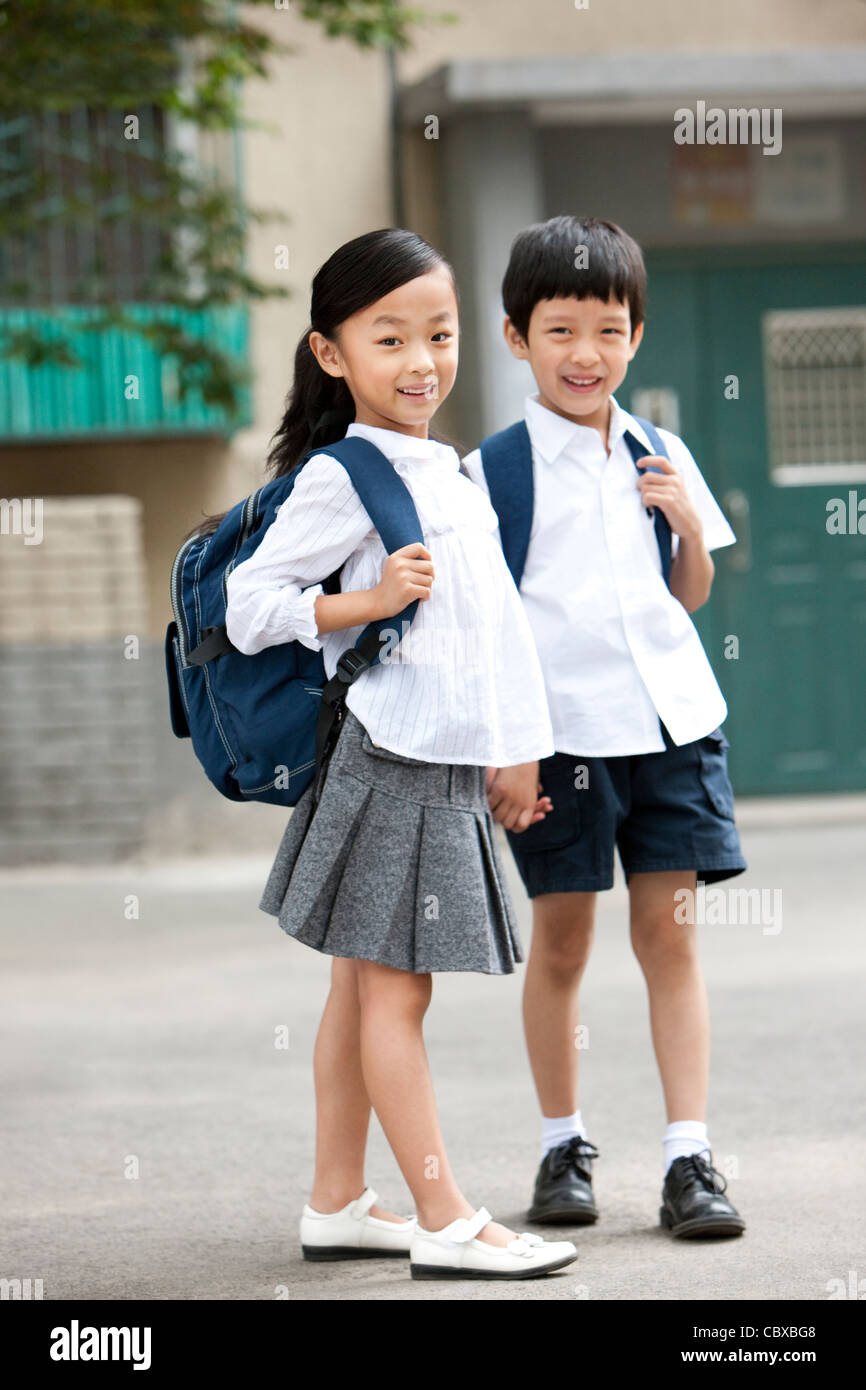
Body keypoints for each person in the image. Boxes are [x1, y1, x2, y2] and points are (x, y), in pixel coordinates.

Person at [223, 228, 578, 1280]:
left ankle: (338, 1199)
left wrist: (515, 748)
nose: (421, 361)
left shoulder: (446, 469)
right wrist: (364, 600)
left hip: (436, 766)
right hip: (390, 762)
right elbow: (248, 606)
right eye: (390, 339)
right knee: (395, 996)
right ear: (332, 354)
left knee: (358, 991)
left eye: (439, 333)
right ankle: (442, 1213)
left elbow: (490, 629)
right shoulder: (346, 475)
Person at [463, 215, 748, 1240]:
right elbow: (485, 625)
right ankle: (561, 1145)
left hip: (670, 728)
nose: (585, 352)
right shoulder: (488, 474)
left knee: (668, 942)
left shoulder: (659, 448)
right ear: (515, 337)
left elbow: (692, 592)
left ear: (634, 334)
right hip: (559, 740)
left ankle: (687, 1159)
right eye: (560, 330)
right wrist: (508, 744)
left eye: (607, 329)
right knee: (565, 942)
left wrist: (682, 524)